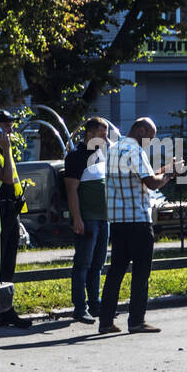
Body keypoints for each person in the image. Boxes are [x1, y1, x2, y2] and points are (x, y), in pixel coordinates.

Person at [98, 116, 178, 334]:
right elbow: (151, 183)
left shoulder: (114, 150)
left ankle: (105, 322)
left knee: (116, 272)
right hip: (138, 220)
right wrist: (169, 174)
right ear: (141, 131)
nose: (150, 143)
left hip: (118, 221)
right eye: (150, 138)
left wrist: (164, 169)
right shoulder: (136, 150)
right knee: (141, 273)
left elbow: (141, 176)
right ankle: (136, 321)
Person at [0, 108, 32, 332]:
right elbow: (8, 178)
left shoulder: (2, 149)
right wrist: (6, 149)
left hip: (11, 212)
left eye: (11, 124)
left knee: (8, 265)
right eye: (6, 125)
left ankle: (6, 311)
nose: (11, 129)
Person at [64, 117, 110, 323]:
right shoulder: (76, 156)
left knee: (98, 264)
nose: (106, 138)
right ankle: (80, 307)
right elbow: (71, 190)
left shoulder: (101, 156)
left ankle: (95, 304)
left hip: (103, 218)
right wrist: (77, 219)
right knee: (82, 264)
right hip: (87, 219)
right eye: (102, 134)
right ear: (90, 135)